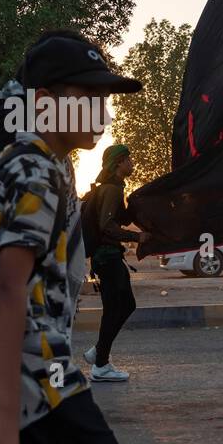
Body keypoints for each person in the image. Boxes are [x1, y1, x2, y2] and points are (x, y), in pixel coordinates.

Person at [0, 32, 153, 444]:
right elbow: (6, 288)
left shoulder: (29, 160)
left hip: (10, 368)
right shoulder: (36, 169)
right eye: (87, 97)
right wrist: (4, 414)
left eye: (104, 99)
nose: (102, 111)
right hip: (36, 371)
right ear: (43, 102)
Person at [81, 144, 144, 381]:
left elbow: (119, 218)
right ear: (118, 163)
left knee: (121, 306)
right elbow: (107, 226)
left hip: (108, 258)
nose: (131, 163)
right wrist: (137, 237)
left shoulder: (115, 188)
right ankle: (100, 363)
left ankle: (99, 353)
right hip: (107, 258)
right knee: (121, 306)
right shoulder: (111, 190)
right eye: (128, 159)